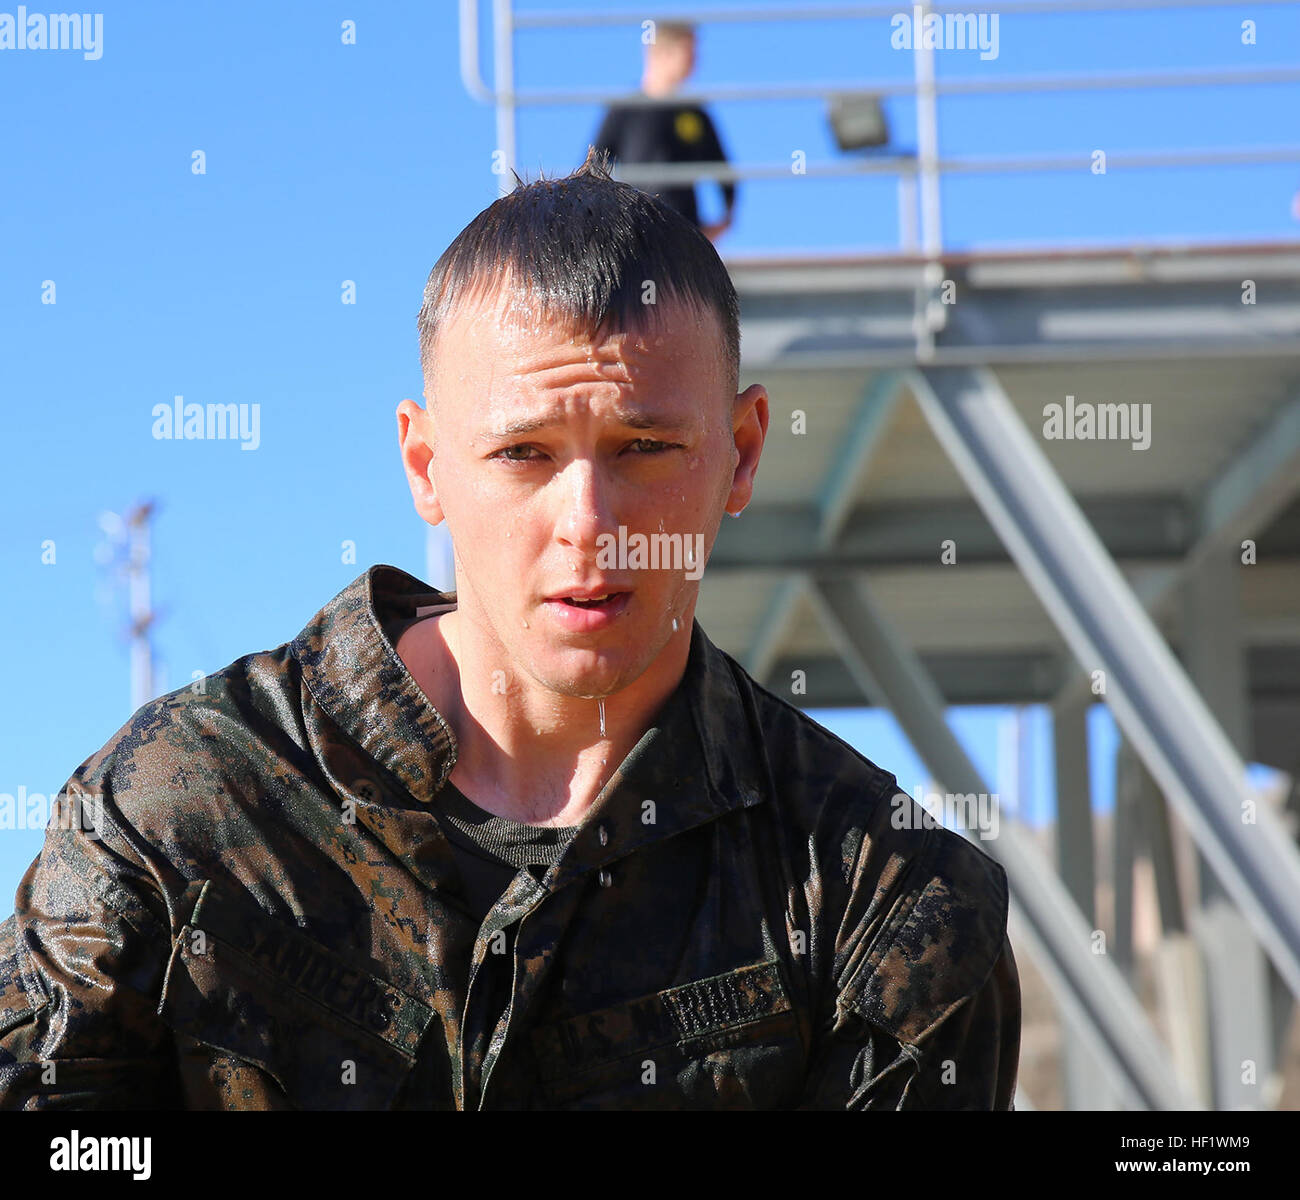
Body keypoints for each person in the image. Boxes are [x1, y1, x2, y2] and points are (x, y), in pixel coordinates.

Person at [0, 149, 1019, 1110]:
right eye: (523, 454)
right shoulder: (177, 816)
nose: (588, 524)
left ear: (743, 452)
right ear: (426, 465)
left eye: (645, 446)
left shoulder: (885, 906)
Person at [592, 20, 735, 243]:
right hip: (637, 232)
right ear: (662, 53)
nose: (695, 61)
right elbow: (594, 167)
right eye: (688, 52)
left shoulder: (695, 112)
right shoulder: (624, 110)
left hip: (685, 233)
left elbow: (723, 171)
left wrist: (724, 220)